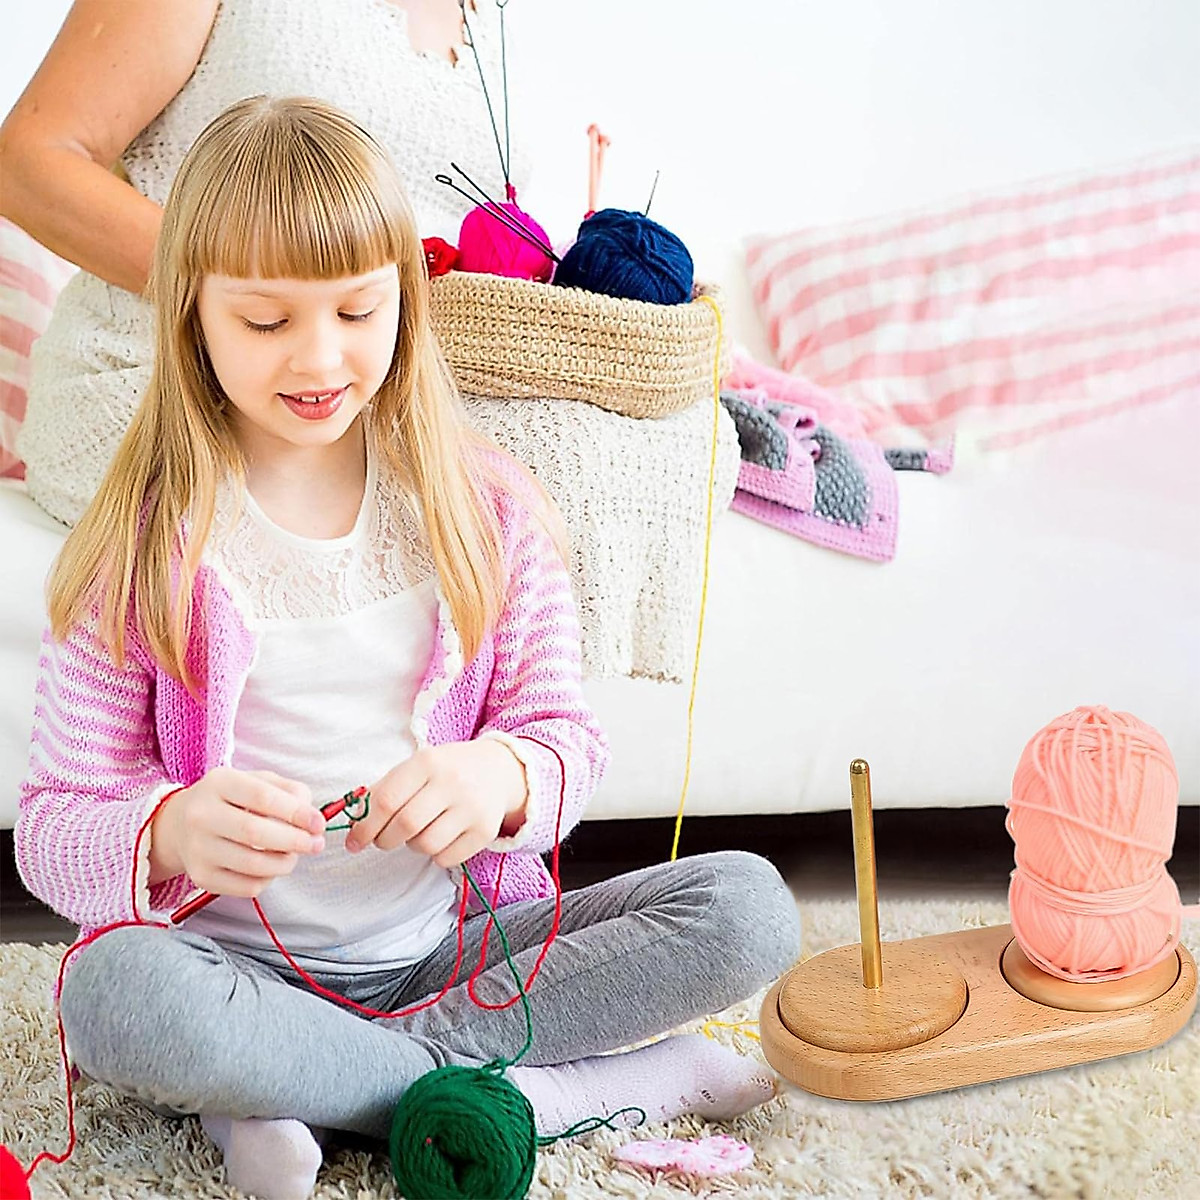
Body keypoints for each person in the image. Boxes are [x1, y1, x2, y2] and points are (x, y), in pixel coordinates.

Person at [13, 96, 800, 1200]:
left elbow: (565, 738)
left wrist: (507, 776)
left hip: (454, 956)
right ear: (190, 316)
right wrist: (170, 829)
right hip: (233, 969)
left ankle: (304, 1098)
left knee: (749, 906)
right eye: (266, 321)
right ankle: (536, 1093)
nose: (320, 356)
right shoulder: (140, 547)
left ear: (405, 302)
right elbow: (50, 826)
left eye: (356, 310)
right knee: (114, 993)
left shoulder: (482, 511)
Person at [0, 0, 740, 683]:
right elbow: (30, 161)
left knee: (688, 437)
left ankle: (522, 762)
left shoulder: (483, 16)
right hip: (176, 370)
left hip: (375, 375)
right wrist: (250, 291)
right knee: (544, 465)